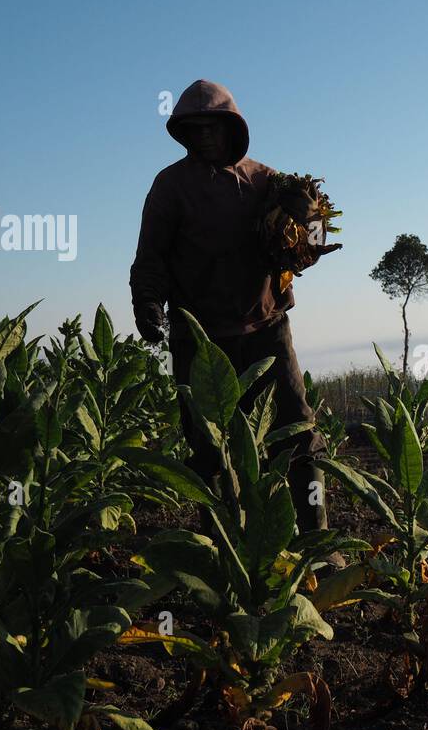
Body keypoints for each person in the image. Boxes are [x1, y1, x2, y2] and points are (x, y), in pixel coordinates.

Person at [129, 78, 331, 539]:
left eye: (212, 127)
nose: (204, 137)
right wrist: (146, 303)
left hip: (267, 328)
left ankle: (317, 539)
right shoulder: (171, 186)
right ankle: (227, 549)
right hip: (200, 339)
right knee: (209, 447)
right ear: (183, 134)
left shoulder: (268, 181)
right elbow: (150, 256)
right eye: (193, 130)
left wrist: (311, 216)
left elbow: (311, 247)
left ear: (232, 127)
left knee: (298, 433)